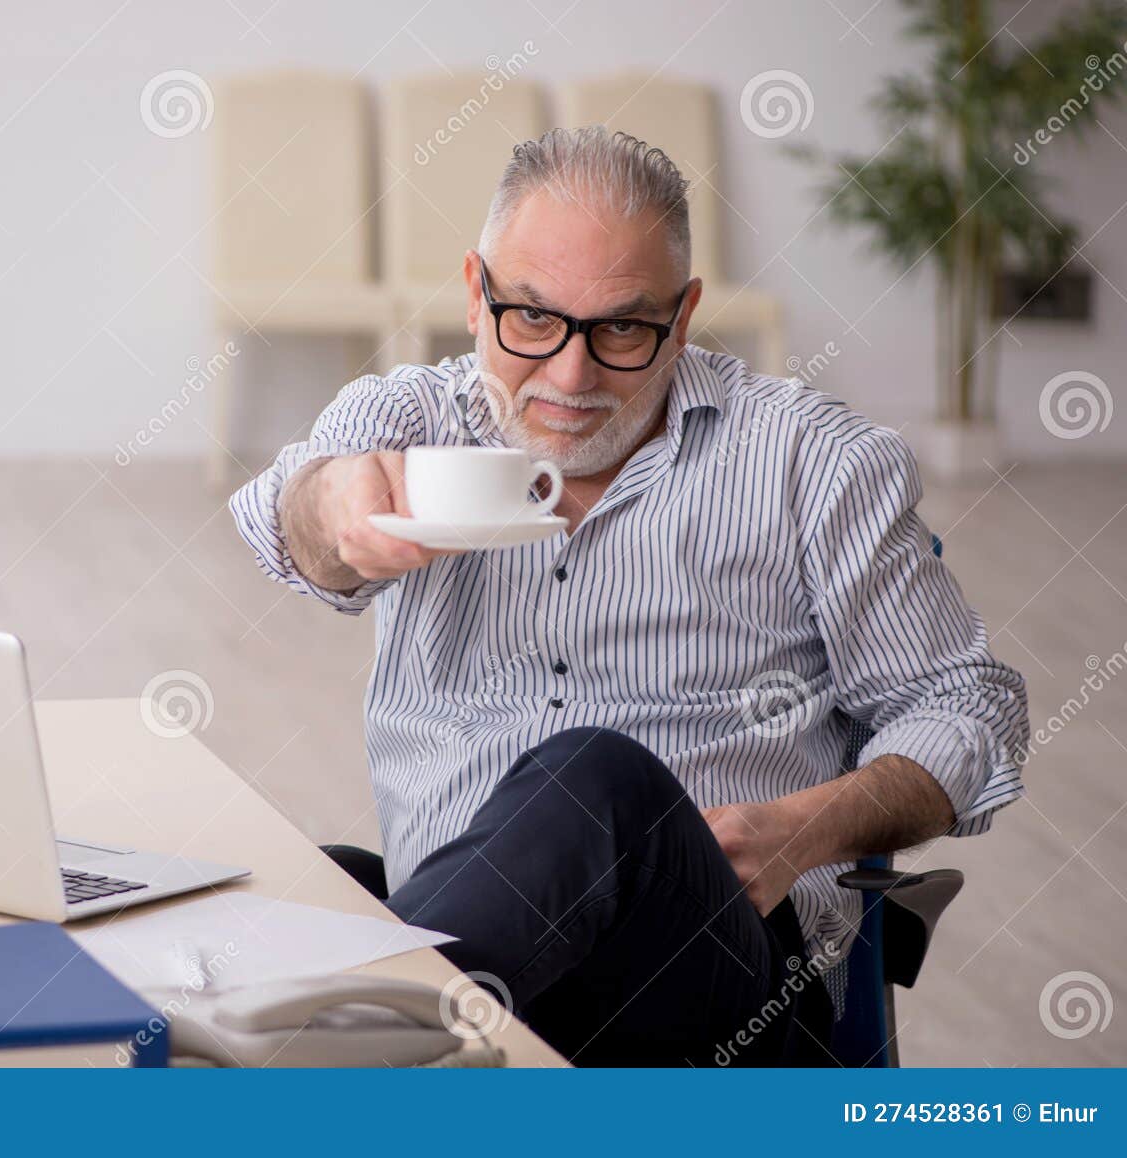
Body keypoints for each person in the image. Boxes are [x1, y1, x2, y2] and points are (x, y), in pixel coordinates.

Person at [229, 126, 1029, 1065]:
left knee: (593, 781)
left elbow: (969, 704)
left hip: (716, 999)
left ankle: (323, 1069)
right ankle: (350, 1051)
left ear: (683, 317)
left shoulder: (814, 462)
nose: (570, 376)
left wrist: (803, 828)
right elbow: (290, 516)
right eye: (532, 318)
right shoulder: (414, 419)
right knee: (267, 903)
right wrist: (334, 512)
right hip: (472, 952)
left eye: (621, 328)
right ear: (476, 292)